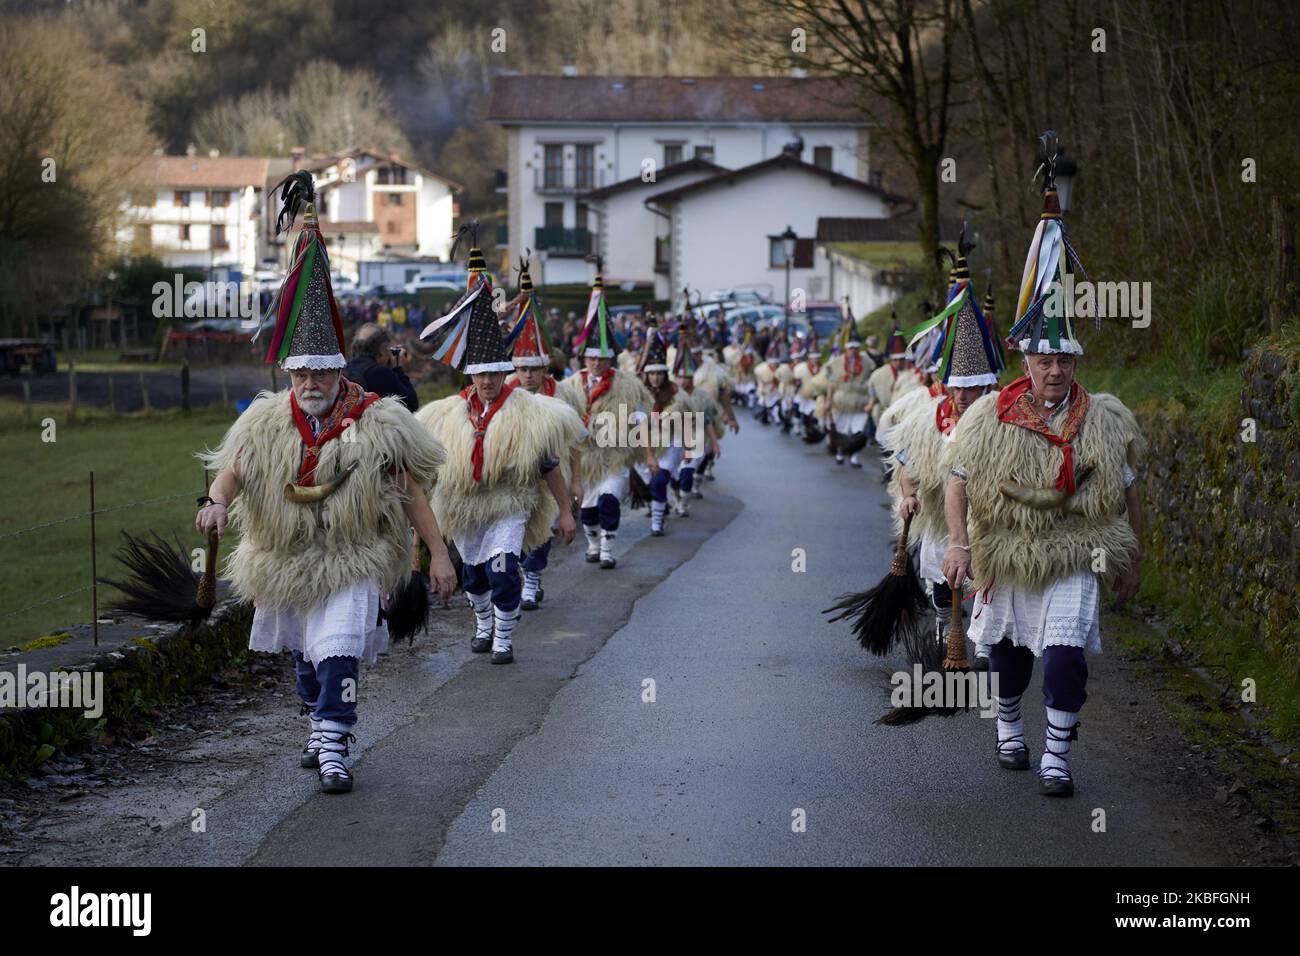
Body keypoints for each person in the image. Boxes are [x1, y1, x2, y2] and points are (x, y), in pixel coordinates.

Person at [197, 173, 456, 795]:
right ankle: (318, 721)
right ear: (291, 373)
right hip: (286, 560)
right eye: (301, 370)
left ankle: (336, 743)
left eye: (321, 370)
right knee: (306, 657)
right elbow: (234, 468)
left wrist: (439, 555)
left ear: (338, 371)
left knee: (338, 647)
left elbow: (413, 491)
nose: (310, 380)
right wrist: (216, 502)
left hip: (352, 555)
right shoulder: (265, 420)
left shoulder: (375, 422)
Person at [941, 175, 1145, 797]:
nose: (1055, 371)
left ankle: (1058, 755)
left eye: (1064, 361)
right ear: (1026, 362)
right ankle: (1008, 724)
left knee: (1063, 654)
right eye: (1044, 361)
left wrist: (1134, 554)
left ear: (1075, 362)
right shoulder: (988, 415)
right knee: (1008, 659)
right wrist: (958, 544)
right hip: (1007, 551)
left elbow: (1133, 492)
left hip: (1077, 552)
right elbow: (955, 478)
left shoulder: (1105, 419)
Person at [416, 238, 581, 664]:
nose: (487, 381)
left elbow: (549, 465)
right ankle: (484, 625)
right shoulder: (448, 414)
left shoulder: (528, 413)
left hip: (509, 502)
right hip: (464, 505)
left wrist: (564, 510)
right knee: (474, 575)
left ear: (502, 372)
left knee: (504, 570)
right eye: (480, 374)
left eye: (494, 373)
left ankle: (504, 639)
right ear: (471, 375)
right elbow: (429, 473)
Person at [888, 236, 1003, 672]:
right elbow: (907, 462)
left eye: (972, 387)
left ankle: (987, 644)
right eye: (957, 386)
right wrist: (909, 492)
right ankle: (945, 629)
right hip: (942, 518)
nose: (963, 394)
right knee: (943, 585)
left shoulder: (1002, 416)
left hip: (991, 520)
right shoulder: (929, 417)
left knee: (990, 584)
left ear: (987, 385)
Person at [556, 262, 654, 568]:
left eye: (601, 358)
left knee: (610, 501)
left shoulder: (627, 386)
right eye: (591, 357)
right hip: (582, 459)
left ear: (610, 357)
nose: (596, 363)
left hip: (613, 455)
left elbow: (639, 420)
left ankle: (609, 550)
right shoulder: (570, 386)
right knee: (588, 510)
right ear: (583, 357)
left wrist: (648, 455)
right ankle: (594, 543)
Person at [503, 259, 584, 610]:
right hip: (515, 476)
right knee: (516, 531)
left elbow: (576, 442)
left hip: (554, 474)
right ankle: (521, 575)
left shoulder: (563, 395)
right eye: (522, 368)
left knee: (544, 527)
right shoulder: (505, 392)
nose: (528, 375)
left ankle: (533, 579)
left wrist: (577, 481)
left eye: (534, 368)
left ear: (544, 367)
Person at [344, 322, 419, 411]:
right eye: (388, 349)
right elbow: (412, 404)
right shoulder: (380, 373)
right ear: (382, 350)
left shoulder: (346, 368)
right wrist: (398, 369)